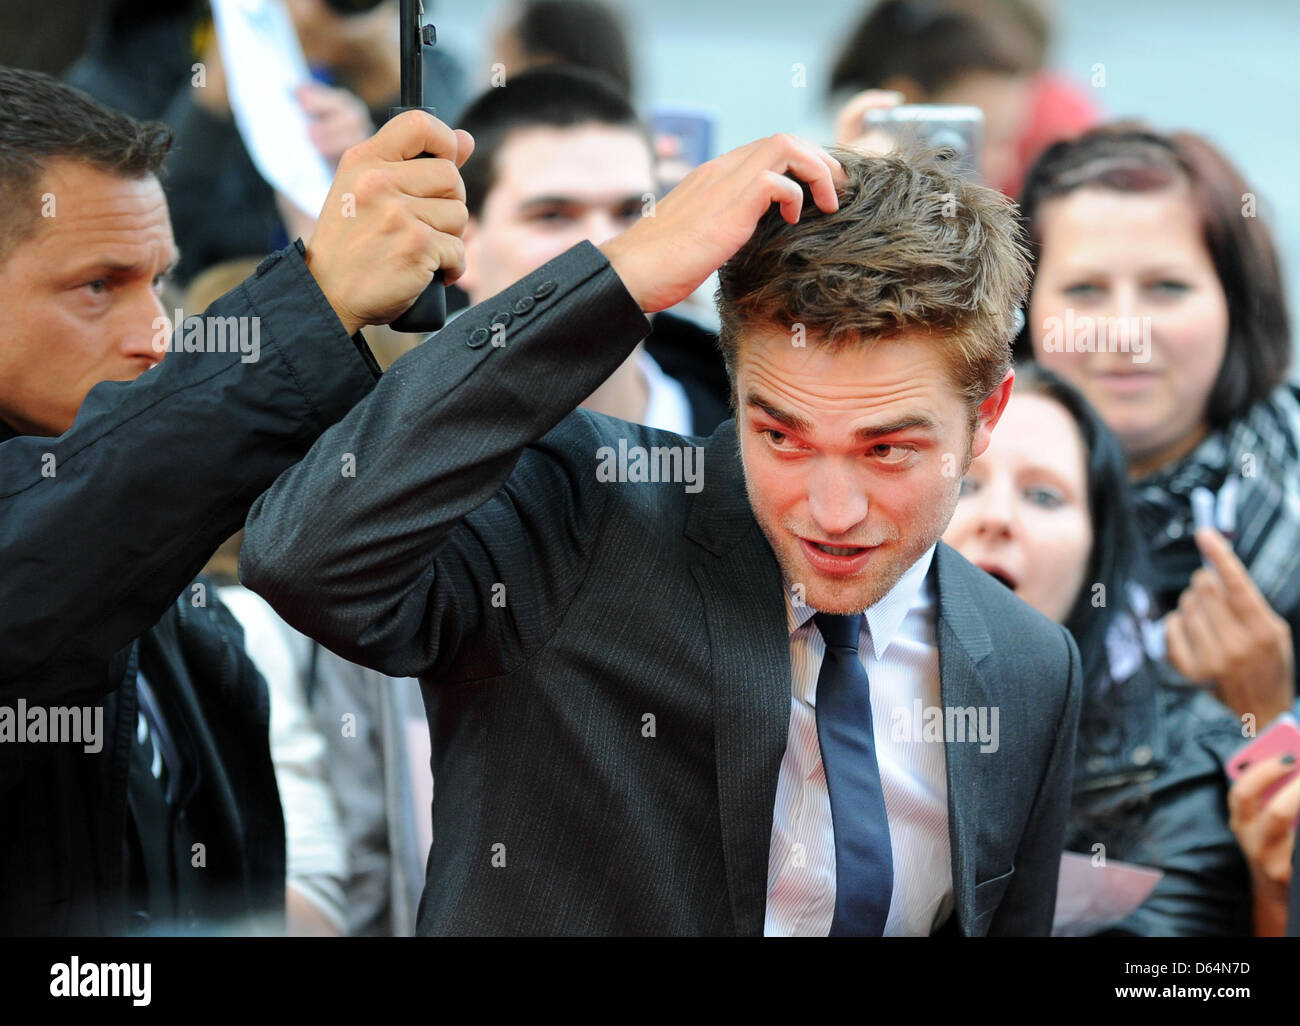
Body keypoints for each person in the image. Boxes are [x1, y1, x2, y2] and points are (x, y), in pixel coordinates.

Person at [241, 137, 1082, 936]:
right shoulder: (583, 511)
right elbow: (305, 557)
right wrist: (622, 275)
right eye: (781, 436)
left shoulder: (1028, 667)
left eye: (887, 450)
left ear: (987, 415)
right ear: (734, 383)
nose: (831, 510)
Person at [0, 67, 472, 934]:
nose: (156, 334)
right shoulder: (88, 534)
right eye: (97, 285)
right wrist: (319, 296)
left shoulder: (159, 565)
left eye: (159, 282)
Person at [944, 363, 1250, 935]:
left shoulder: (1179, 769)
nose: (997, 519)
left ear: (1097, 553)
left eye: (1043, 494)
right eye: (963, 484)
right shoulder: (813, 701)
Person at [1013, 125, 1298, 733]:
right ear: (1024, 313)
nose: (1125, 331)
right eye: (1084, 290)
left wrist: (1270, 716)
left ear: (1235, 302)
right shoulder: (951, 497)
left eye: (1167, 288)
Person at [454, 65, 727, 433]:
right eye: (552, 215)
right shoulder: (378, 442)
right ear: (462, 245)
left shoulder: (753, 453)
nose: (605, 245)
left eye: (631, 212)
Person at [828, 0, 1099, 196]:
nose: (1008, 164)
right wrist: (857, 202)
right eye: (975, 135)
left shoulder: (1057, 106)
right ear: (904, 106)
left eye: (1008, 139)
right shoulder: (826, 176)